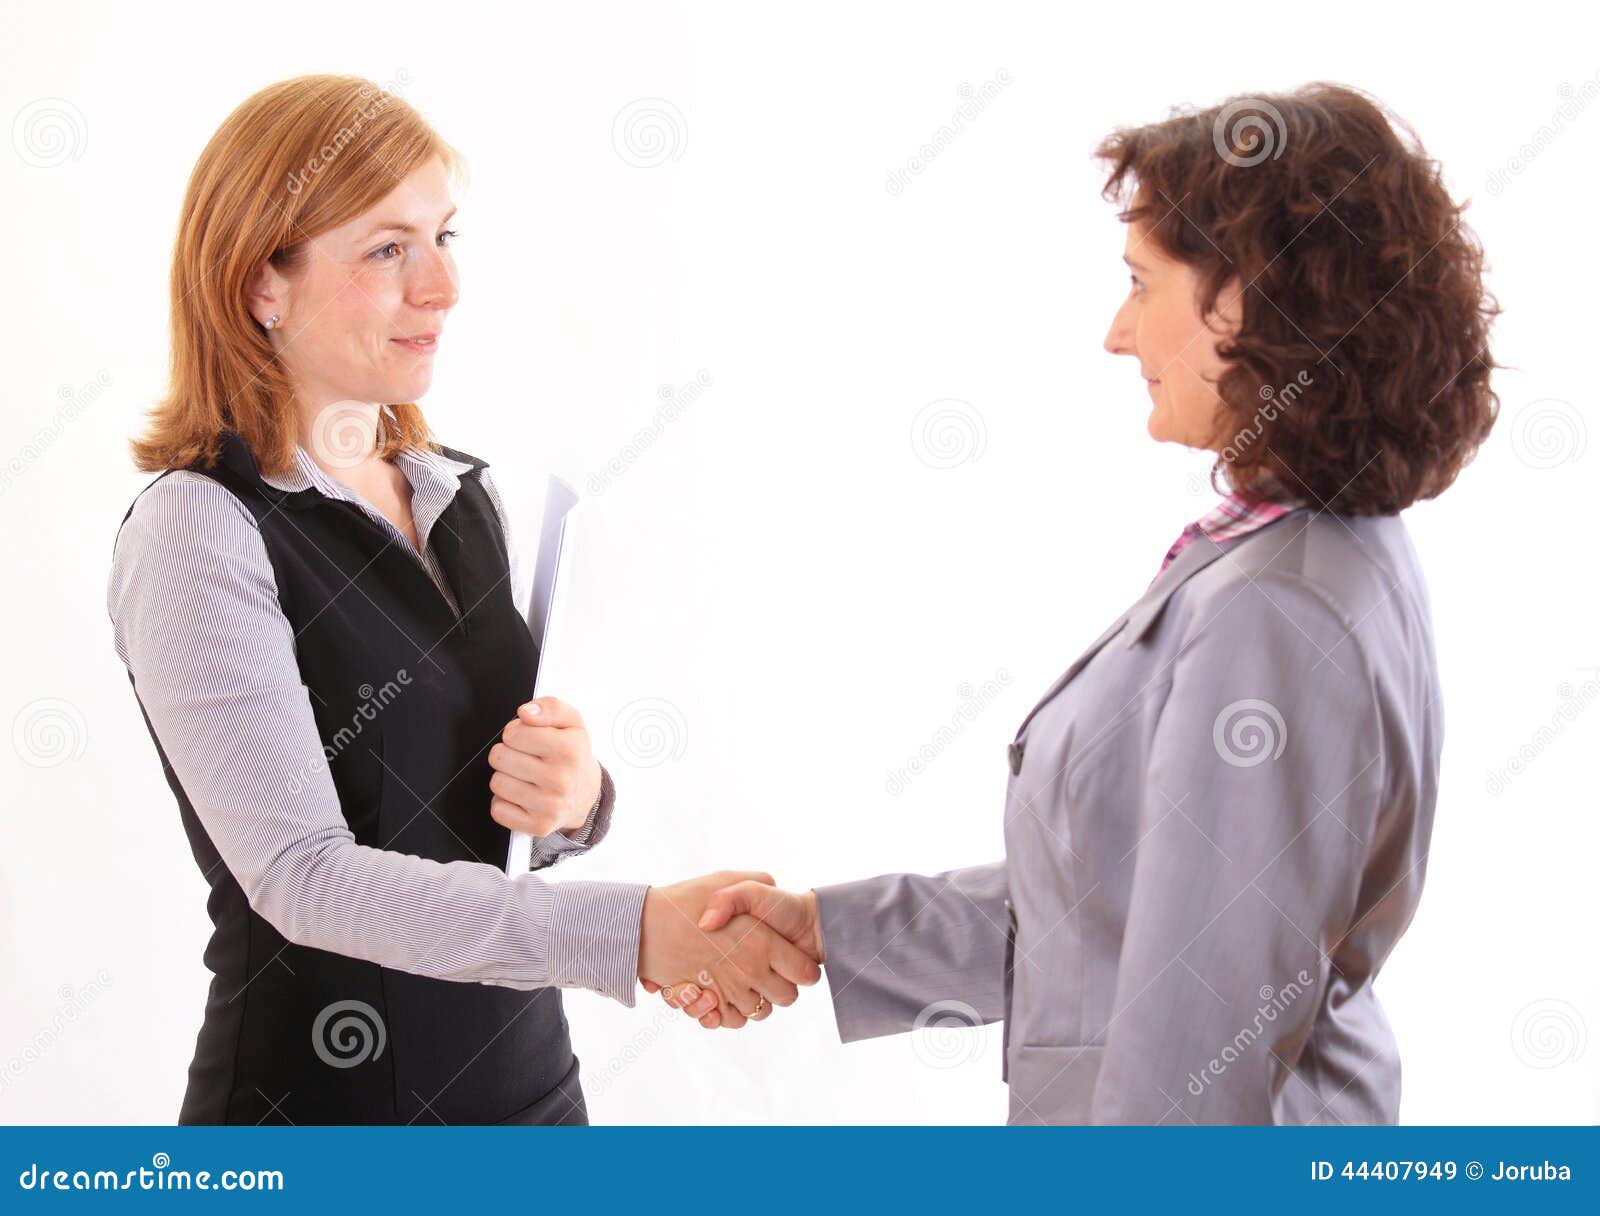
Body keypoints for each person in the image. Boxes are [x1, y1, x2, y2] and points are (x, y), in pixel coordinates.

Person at [654, 83, 1501, 1125]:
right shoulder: (1307, 550)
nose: (1115, 331)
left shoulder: (1273, 614)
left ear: (1242, 304)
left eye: (1141, 284)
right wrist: (826, 927)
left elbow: (1199, 1051)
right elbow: (1115, 916)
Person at [108, 74, 817, 1126]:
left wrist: (576, 801)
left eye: (445, 236)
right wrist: (632, 934)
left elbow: (474, 820)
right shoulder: (201, 528)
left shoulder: (457, 496)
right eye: (388, 248)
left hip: (529, 1095)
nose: (441, 286)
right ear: (263, 284)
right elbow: (303, 877)